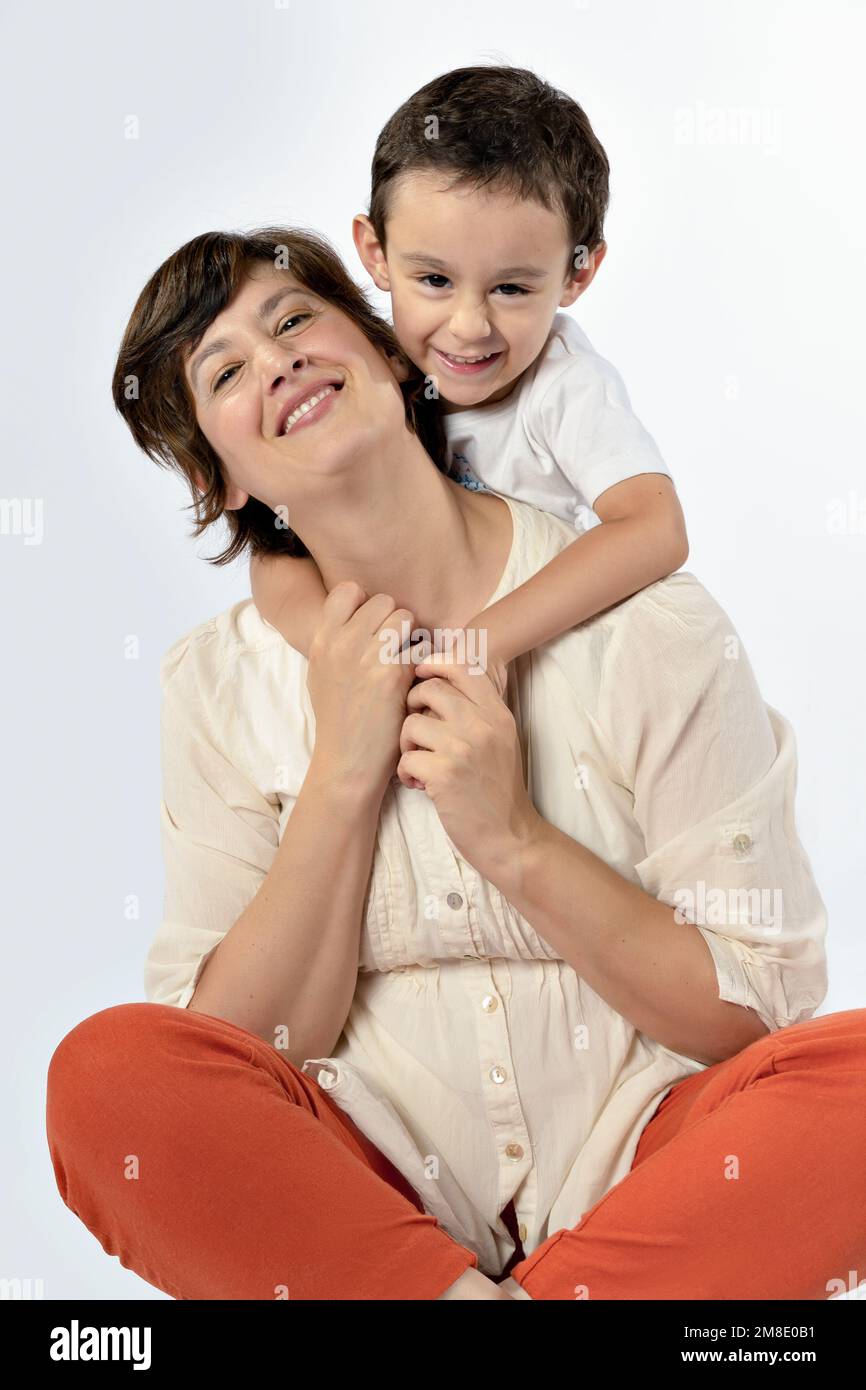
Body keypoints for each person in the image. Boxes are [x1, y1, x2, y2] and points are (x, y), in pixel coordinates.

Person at [46, 228, 864, 1302]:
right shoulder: (215, 685)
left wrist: (514, 841)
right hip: (369, 1194)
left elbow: (753, 1015)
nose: (276, 359)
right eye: (226, 371)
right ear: (222, 476)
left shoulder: (646, 624)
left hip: (649, 1170)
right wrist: (342, 771)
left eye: (293, 319)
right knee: (109, 1082)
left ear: (390, 355)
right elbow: (237, 1054)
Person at [249, 65, 689, 681]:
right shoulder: (373, 374)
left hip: (543, 663)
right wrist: (334, 648)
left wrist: (471, 648)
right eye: (434, 280)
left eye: (510, 287)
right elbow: (275, 549)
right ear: (375, 254)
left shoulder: (563, 386)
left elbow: (656, 529)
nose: (468, 326)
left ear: (576, 273)